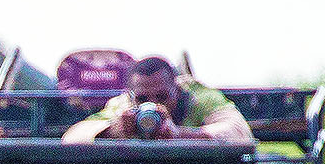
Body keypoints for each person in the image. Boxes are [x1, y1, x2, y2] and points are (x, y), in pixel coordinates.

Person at [63, 56, 253, 145]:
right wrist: (113, 130)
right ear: (131, 96)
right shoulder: (124, 105)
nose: (153, 104)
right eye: (142, 99)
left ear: (177, 90)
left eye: (162, 97)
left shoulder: (199, 97)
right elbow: (72, 138)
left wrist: (180, 135)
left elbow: (239, 132)